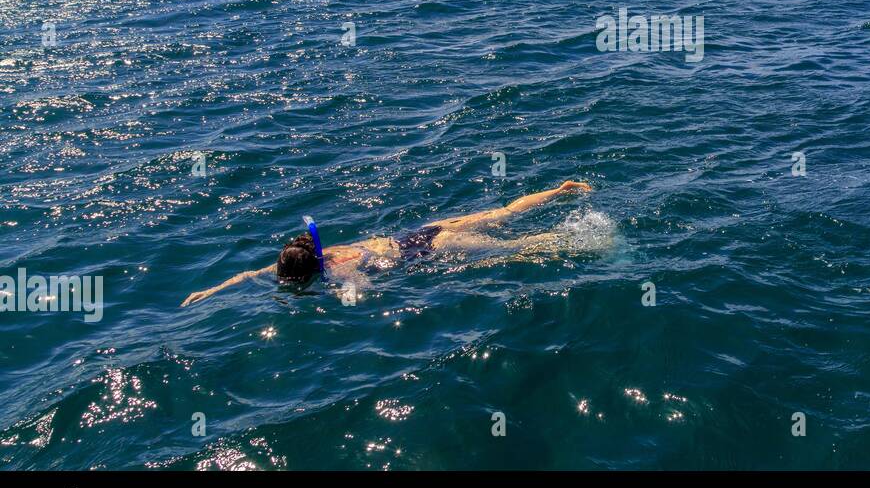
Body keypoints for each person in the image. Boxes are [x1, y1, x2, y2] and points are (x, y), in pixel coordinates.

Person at [181, 181, 593, 307]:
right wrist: (212, 289)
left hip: (430, 248)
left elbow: (364, 291)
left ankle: (577, 240)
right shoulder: (323, 255)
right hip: (417, 233)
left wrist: (352, 294)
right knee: (502, 213)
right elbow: (246, 273)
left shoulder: (335, 269)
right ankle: (562, 189)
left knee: (514, 247)